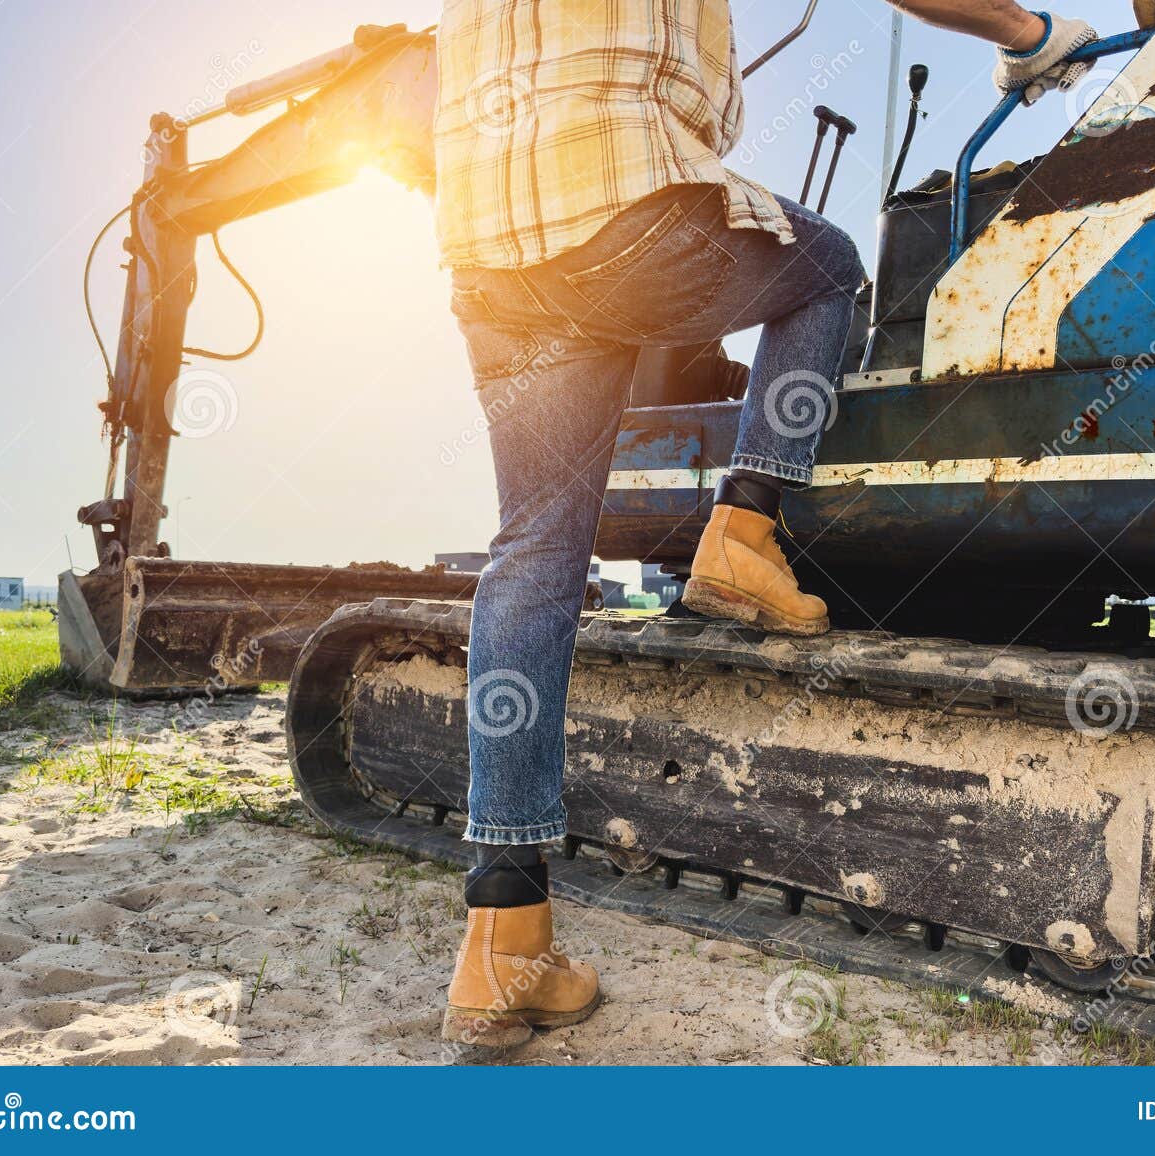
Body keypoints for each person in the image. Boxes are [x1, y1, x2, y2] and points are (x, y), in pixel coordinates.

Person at [435, 0, 1111, 1047]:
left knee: (532, 556)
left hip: (490, 247)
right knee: (828, 268)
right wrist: (1025, 33)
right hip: (619, 195)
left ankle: (502, 942)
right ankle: (742, 533)